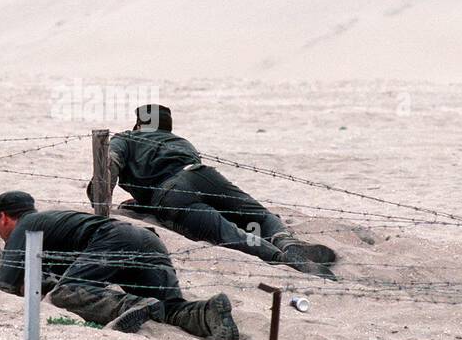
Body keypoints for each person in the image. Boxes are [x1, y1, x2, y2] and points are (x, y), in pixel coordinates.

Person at [101, 104, 336, 278]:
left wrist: (101, 195)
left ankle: (281, 259)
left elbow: (111, 162)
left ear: (139, 124)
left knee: (226, 232)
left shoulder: (127, 137)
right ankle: (285, 242)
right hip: (202, 174)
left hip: (170, 192)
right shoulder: (181, 142)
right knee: (258, 215)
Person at [0, 191, 240, 340]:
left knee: (64, 294)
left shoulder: (25, 226)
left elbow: (4, 285)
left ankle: (132, 304)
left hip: (112, 239)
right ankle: (210, 313)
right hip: (147, 240)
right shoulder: (51, 222)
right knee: (169, 307)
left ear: (4, 217)